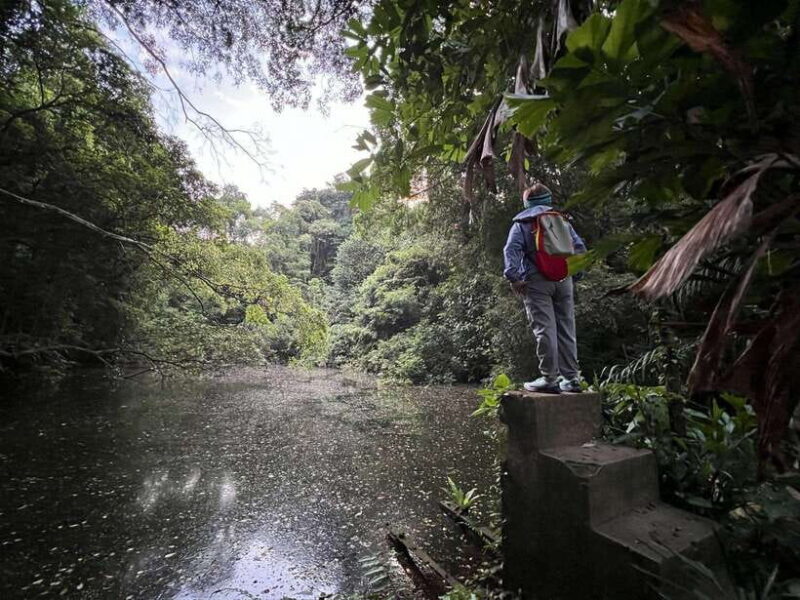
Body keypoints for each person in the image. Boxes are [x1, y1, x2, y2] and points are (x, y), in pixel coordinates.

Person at [503, 183, 586, 394]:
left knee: (545, 329)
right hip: (564, 280)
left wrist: (514, 278)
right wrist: (575, 274)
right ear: (548, 200)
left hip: (536, 282)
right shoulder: (562, 221)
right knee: (567, 328)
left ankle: (549, 378)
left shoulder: (523, 223)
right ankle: (572, 379)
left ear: (527, 202)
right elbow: (579, 248)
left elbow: (511, 250)